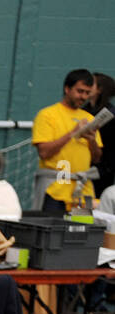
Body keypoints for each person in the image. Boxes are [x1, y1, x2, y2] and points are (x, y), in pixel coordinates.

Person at [33, 69, 103, 215]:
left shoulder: (89, 118)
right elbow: (44, 152)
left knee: (81, 233)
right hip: (56, 186)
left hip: (83, 188)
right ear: (67, 89)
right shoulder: (47, 115)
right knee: (52, 232)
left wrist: (92, 141)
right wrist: (73, 133)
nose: (83, 96)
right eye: (80, 91)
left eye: (87, 93)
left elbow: (97, 158)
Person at [87, 72, 115, 194]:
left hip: (101, 173)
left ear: (100, 89)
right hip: (80, 167)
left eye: (91, 84)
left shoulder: (111, 115)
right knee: (74, 206)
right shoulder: (83, 111)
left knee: (92, 206)